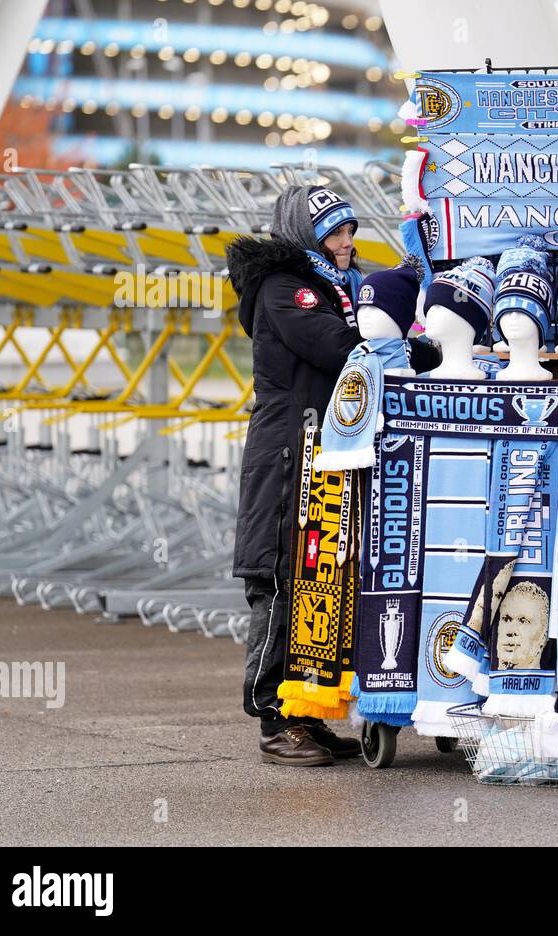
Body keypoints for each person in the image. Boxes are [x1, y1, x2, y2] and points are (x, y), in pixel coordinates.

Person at [225, 185, 367, 766]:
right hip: (287, 457)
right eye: (334, 231)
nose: (347, 242)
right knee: (281, 584)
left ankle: (306, 711)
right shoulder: (287, 288)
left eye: (350, 230)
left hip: (317, 458)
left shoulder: (337, 285)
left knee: (318, 586)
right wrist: (399, 345)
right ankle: (273, 720)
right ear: (306, 235)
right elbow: (335, 345)